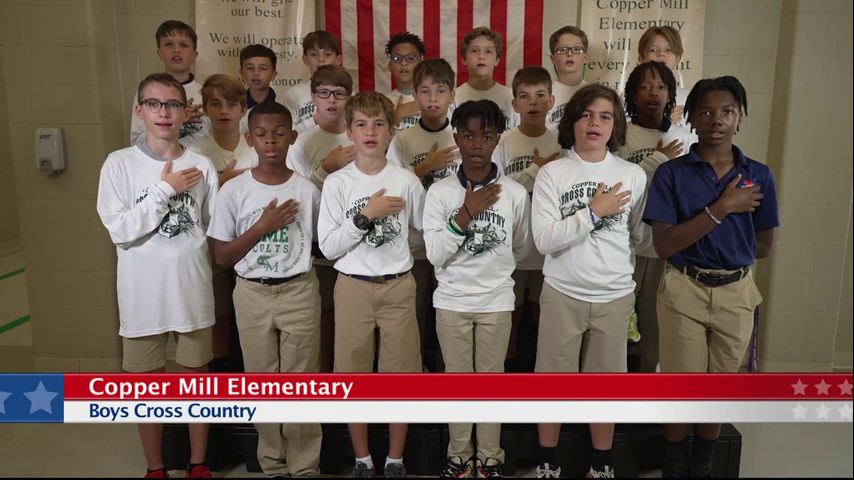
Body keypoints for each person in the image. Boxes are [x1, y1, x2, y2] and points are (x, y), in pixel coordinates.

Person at [644, 76, 778, 478]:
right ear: (692, 119)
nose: (716, 120)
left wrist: (719, 242)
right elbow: (665, 245)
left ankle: (703, 462)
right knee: (682, 385)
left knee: (721, 386)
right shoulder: (672, 174)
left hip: (736, 291)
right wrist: (723, 208)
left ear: (740, 118)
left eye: (727, 111)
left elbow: (763, 246)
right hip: (684, 287)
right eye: (705, 111)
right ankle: (673, 461)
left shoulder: (759, 175)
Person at [97, 73, 218, 478]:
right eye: (154, 104)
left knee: (196, 380)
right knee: (145, 386)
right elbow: (121, 230)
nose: (163, 112)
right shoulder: (119, 164)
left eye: (172, 104)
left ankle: (198, 462)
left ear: (184, 111)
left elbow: (209, 226)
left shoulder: (201, 165)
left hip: (191, 288)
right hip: (141, 295)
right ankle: (156, 467)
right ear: (139, 110)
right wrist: (165, 191)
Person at [531, 84, 650, 479]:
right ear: (572, 122)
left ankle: (602, 463)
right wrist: (593, 213)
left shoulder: (631, 175)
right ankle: (547, 461)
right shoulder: (553, 173)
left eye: (604, 116)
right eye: (586, 115)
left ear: (615, 125)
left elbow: (638, 235)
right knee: (553, 381)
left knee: (606, 384)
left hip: (614, 295)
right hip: (563, 291)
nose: (594, 123)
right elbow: (544, 239)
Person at [208, 101, 323, 478]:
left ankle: (304, 466)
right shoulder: (233, 191)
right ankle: (273, 463)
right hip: (252, 293)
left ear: (293, 136)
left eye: (278, 133)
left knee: (301, 383)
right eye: (261, 134)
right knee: (261, 380)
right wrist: (262, 227)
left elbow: (321, 244)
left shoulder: (306, 190)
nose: (270, 141)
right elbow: (221, 256)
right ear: (249, 139)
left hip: (299, 291)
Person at [318, 92, 425, 478]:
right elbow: (328, 246)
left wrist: (395, 253)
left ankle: (395, 459)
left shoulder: (405, 180)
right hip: (353, 287)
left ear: (391, 131)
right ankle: (362, 459)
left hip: (397, 286)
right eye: (361, 124)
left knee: (401, 376)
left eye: (379, 123)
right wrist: (365, 216)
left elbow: (422, 234)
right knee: (353, 375)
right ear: (349, 132)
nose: (370, 131)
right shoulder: (337, 183)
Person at [423, 99, 529, 478]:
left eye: (486, 136)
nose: (477, 144)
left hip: (496, 302)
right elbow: (435, 254)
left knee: (490, 383)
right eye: (468, 136)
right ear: (456, 138)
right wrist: (466, 213)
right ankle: (459, 456)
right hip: (452, 302)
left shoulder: (514, 193)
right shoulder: (439, 193)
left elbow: (520, 248)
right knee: (457, 382)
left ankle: (489, 458)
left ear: (497, 138)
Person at [618, 60, 694, 370]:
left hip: (665, 246)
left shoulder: (684, 137)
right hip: (624, 244)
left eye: (661, 87)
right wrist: (657, 160)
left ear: (671, 94)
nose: (653, 93)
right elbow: (615, 184)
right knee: (617, 321)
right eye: (645, 87)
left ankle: (650, 385)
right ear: (633, 95)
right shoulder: (621, 135)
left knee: (655, 323)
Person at [286, 64, 355, 373]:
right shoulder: (301, 143)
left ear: (349, 97)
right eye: (324, 93)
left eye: (339, 94)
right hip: (318, 245)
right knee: (325, 319)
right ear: (313, 97)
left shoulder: (359, 134)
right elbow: (295, 198)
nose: (332, 101)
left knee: (355, 324)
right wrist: (326, 168)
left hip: (357, 243)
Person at [188, 73, 259, 372]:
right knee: (218, 312)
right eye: (215, 104)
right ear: (205, 110)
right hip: (212, 243)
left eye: (231, 104)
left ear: (243, 109)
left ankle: (246, 367)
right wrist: (222, 182)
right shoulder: (195, 152)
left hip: (251, 242)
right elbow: (191, 204)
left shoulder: (254, 148)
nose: (223, 111)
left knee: (250, 313)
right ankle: (221, 370)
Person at [492, 66, 562, 363]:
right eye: (525, 96)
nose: (533, 102)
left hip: (549, 248)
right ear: (515, 104)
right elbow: (497, 190)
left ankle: (543, 372)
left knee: (544, 314)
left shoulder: (562, 142)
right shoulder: (503, 142)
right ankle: (507, 370)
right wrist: (535, 170)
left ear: (551, 102)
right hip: (514, 244)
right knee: (512, 312)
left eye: (540, 95)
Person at [129, 20, 207, 146]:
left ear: (194, 55)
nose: (176, 50)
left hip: (199, 158)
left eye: (183, 45)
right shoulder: (147, 92)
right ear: (160, 53)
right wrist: (177, 123)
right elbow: (136, 141)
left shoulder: (205, 93)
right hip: (161, 159)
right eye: (169, 44)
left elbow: (214, 138)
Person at [282, 30, 343, 133]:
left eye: (327, 54)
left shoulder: (348, 94)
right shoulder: (293, 95)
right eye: (314, 54)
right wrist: (315, 119)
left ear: (338, 60)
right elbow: (288, 135)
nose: (321, 59)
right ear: (305, 59)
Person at [454, 27, 515, 129]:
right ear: (464, 59)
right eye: (474, 51)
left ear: (497, 60)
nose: (481, 56)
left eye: (488, 51)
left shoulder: (511, 97)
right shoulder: (454, 98)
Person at [637, 26, 690, 125]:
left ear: (678, 58)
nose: (661, 54)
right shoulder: (630, 98)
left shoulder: (688, 99)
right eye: (653, 50)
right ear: (641, 59)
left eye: (668, 50)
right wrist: (667, 123)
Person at [545, 26, 590, 133]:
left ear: (585, 58)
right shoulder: (544, 95)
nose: (569, 54)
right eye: (562, 50)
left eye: (576, 49)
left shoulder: (596, 93)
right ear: (552, 59)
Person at [384, 31, 427, 132]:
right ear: (390, 65)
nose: (403, 63)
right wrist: (397, 116)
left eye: (410, 58)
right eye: (397, 58)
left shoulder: (434, 98)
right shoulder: (382, 102)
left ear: (421, 62)